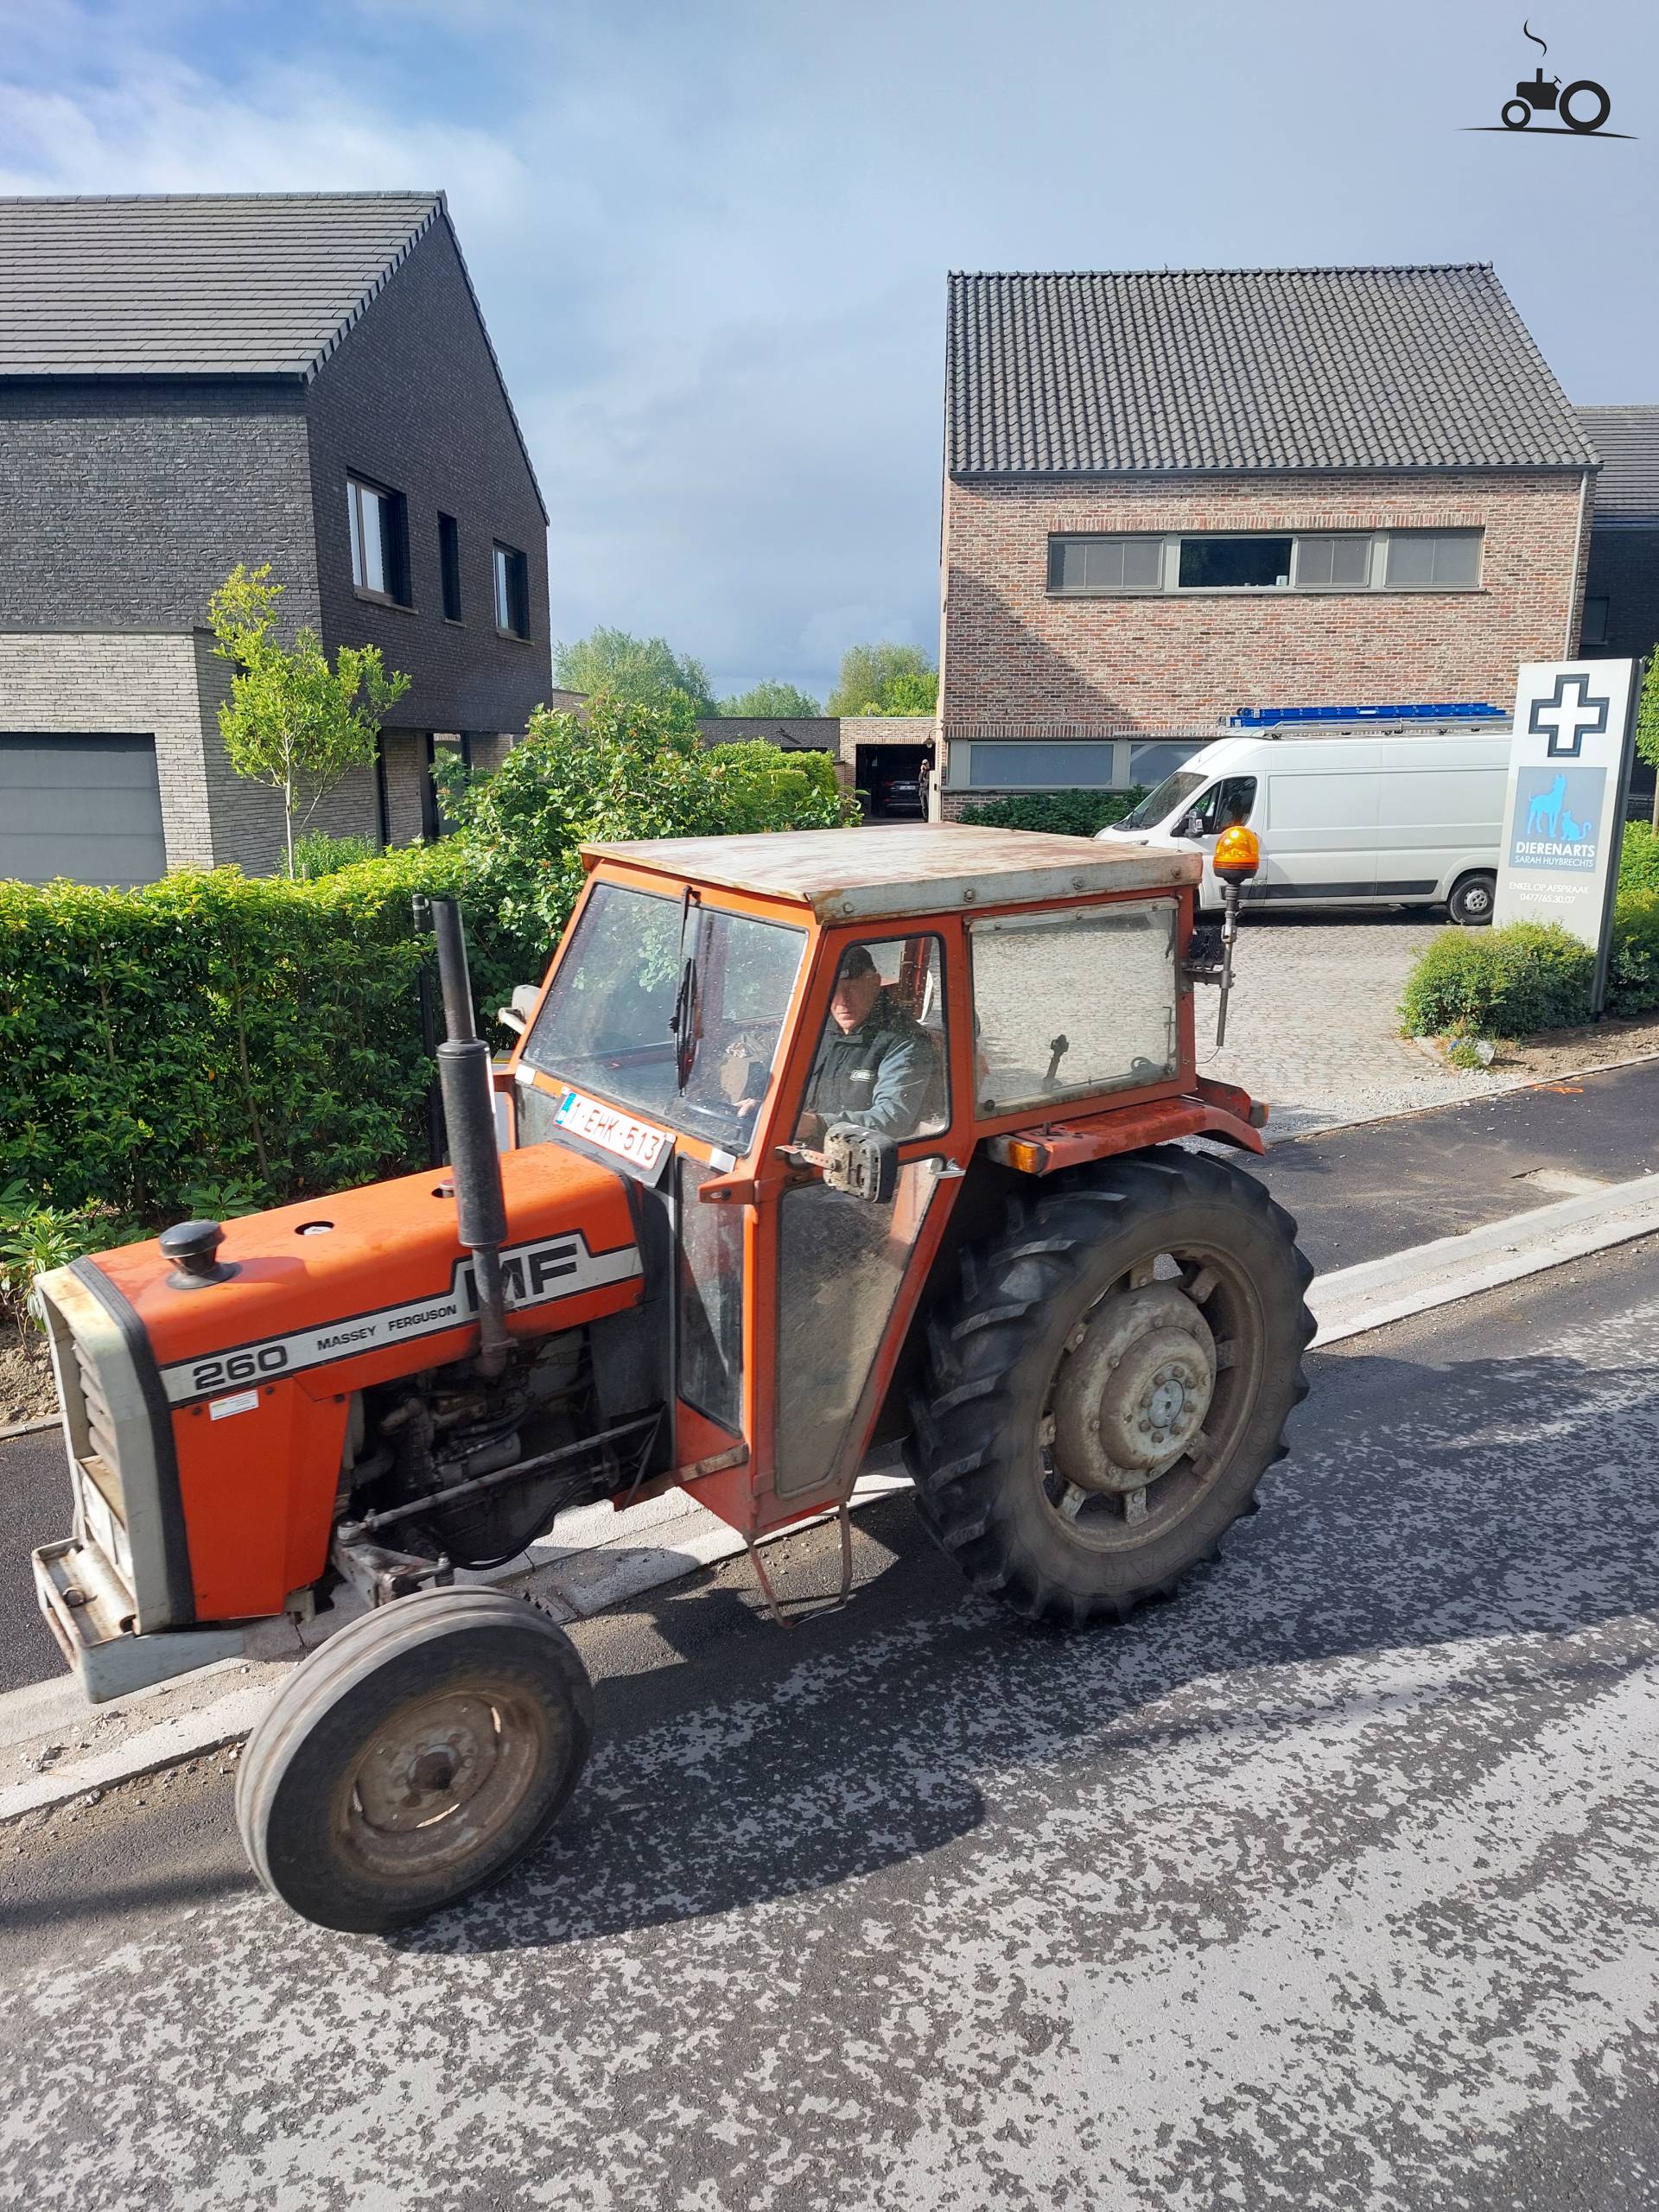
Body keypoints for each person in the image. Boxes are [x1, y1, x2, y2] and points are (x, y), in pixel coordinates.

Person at [796, 944, 937, 1145]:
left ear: (875, 983)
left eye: (853, 988)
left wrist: (816, 1125)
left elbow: (893, 1119)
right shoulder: (811, 1028)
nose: (844, 1000)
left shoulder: (905, 1040)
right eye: (835, 989)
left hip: (863, 1157)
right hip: (803, 1147)